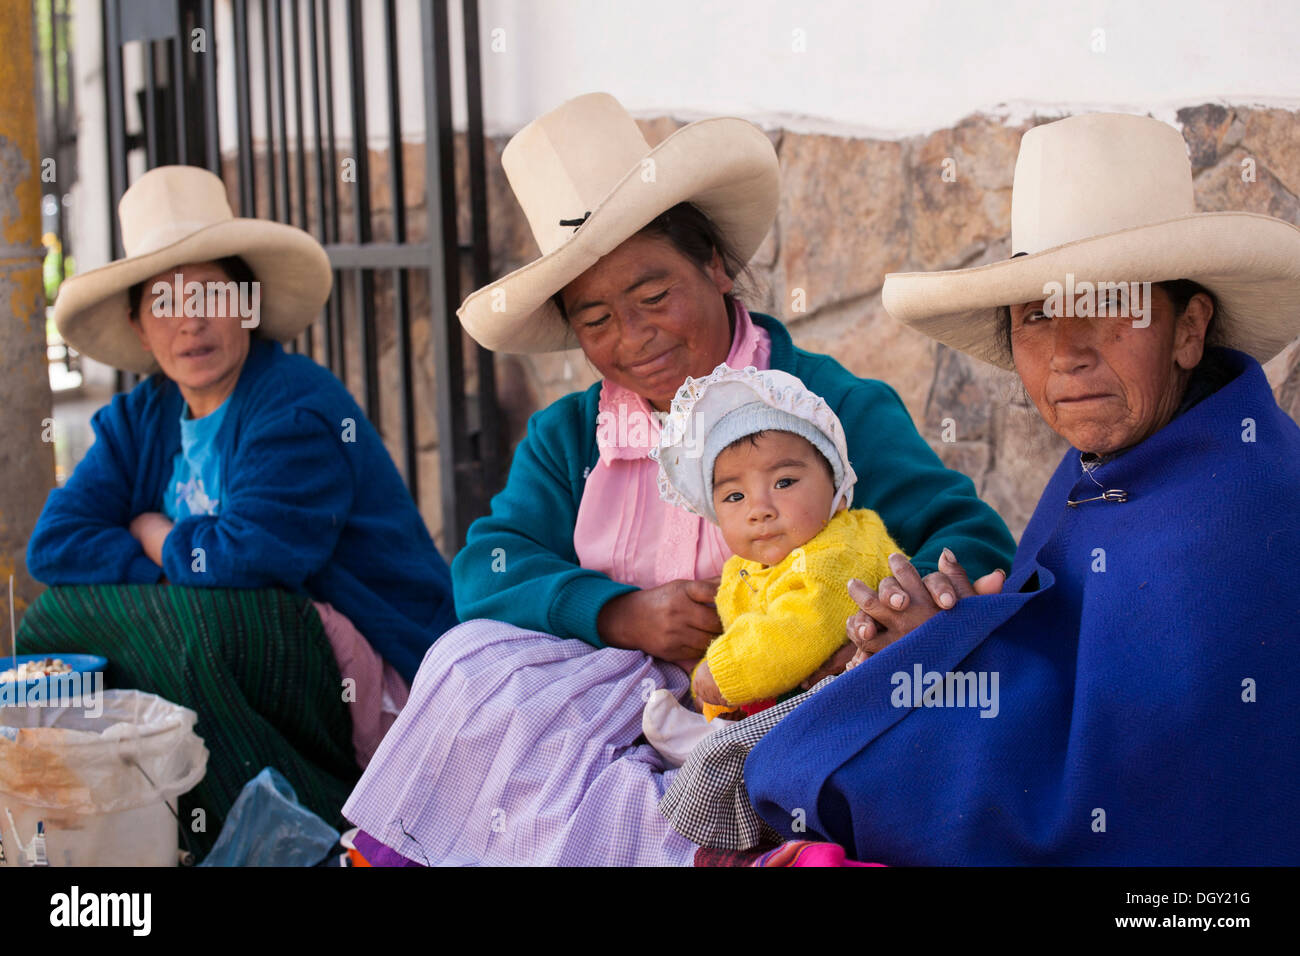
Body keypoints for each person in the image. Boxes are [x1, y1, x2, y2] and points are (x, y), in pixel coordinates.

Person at [342, 92, 1017, 866]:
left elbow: (967, 540)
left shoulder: (826, 410)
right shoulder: (573, 437)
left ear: (716, 265)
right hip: (607, 707)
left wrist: (876, 620)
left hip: (768, 704)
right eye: (594, 320)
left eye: (654, 296)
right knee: (467, 662)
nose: (633, 338)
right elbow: (488, 568)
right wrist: (620, 613)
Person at [744, 112, 1300, 864]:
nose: (1067, 354)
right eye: (1038, 316)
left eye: (1108, 305)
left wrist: (947, 675)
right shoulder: (1128, 455)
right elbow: (1083, 663)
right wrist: (956, 636)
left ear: (1188, 328)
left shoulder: (1238, 514)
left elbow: (1134, 797)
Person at [23, 165, 459, 852]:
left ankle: (308, 826)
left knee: (203, 632)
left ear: (247, 307)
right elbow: (55, 545)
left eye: (209, 296)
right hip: (242, 630)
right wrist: (169, 569)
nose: (190, 321)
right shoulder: (140, 419)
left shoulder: (294, 403)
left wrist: (155, 534)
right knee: (56, 618)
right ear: (140, 328)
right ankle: (170, 815)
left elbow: (249, 557)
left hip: (372, 668)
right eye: (163, 304)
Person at [641, 364, 913, 763]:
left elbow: (799, 631)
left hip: (860, 705)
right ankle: (720, 732)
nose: (759, 510)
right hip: (787, 697)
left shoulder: (840, 553)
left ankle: (724, 744)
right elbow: (741, 632)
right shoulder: (744, 567)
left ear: (836, 488)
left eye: (783, 483)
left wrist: (721, 673)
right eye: (735, 497)